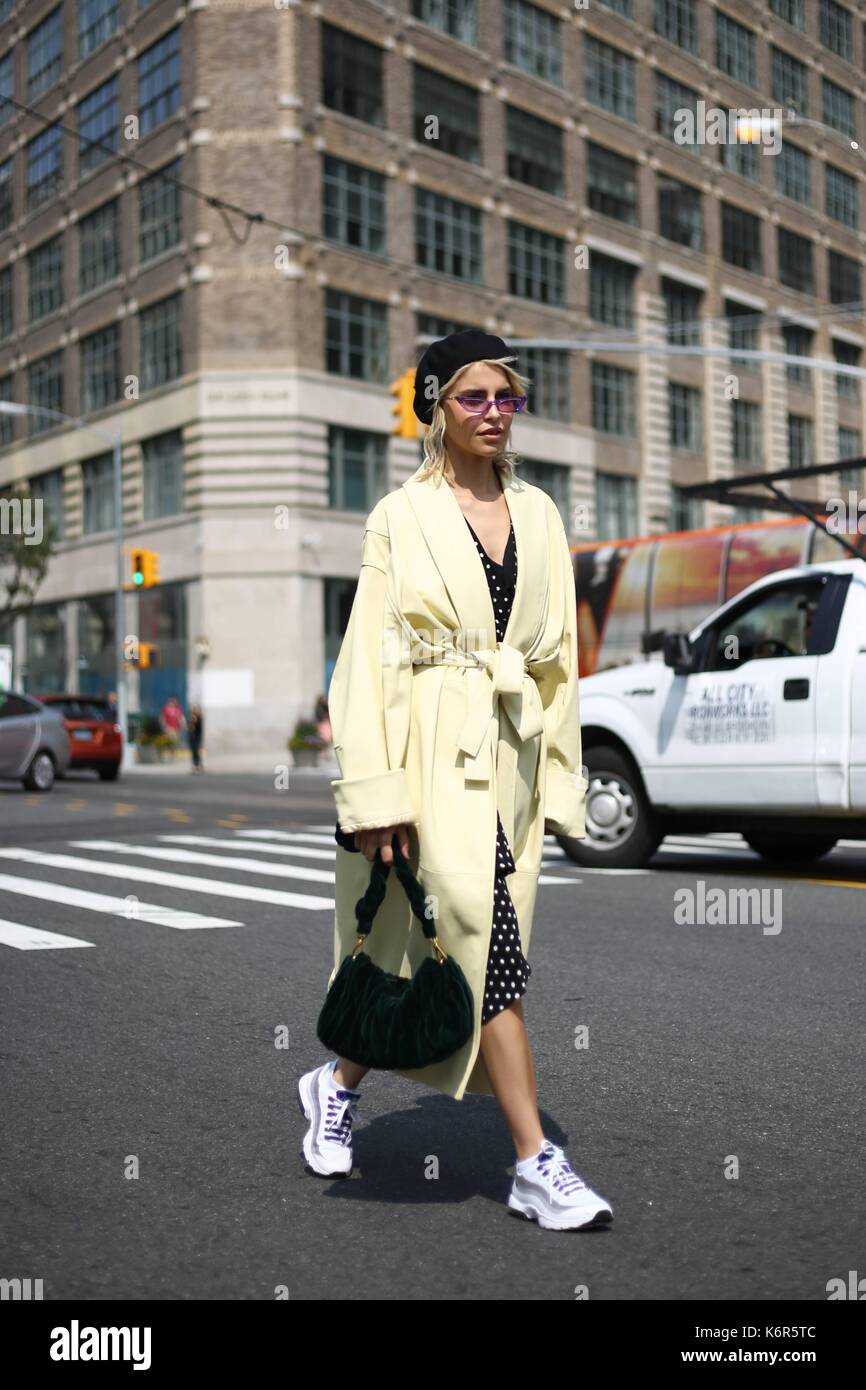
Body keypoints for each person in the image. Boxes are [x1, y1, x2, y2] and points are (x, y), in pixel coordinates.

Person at [297, 329, 613, 1231]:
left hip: (504, 759)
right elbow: (368, 663)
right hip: (429, 751)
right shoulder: (399, 516)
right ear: (435, 405)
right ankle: (533, 1162)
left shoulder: (543, 513)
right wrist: (376, 794)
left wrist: (555, 784)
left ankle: (336, 1077)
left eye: (506, 399)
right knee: (490, 948)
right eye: (473, 398)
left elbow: (559, 671)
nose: (493, 416)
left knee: (426, 941)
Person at [187, 704, 204, 772]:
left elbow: (198, 727)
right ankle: (195, 765)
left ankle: (199, 765)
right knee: (193, 752)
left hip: (197, 737)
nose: (192, 710)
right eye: (192, 709)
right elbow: (189, 727)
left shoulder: (199, 717)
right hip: (192, 737)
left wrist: (194, 721)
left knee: (197, 751)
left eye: (194, 709)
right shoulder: (190, 717)